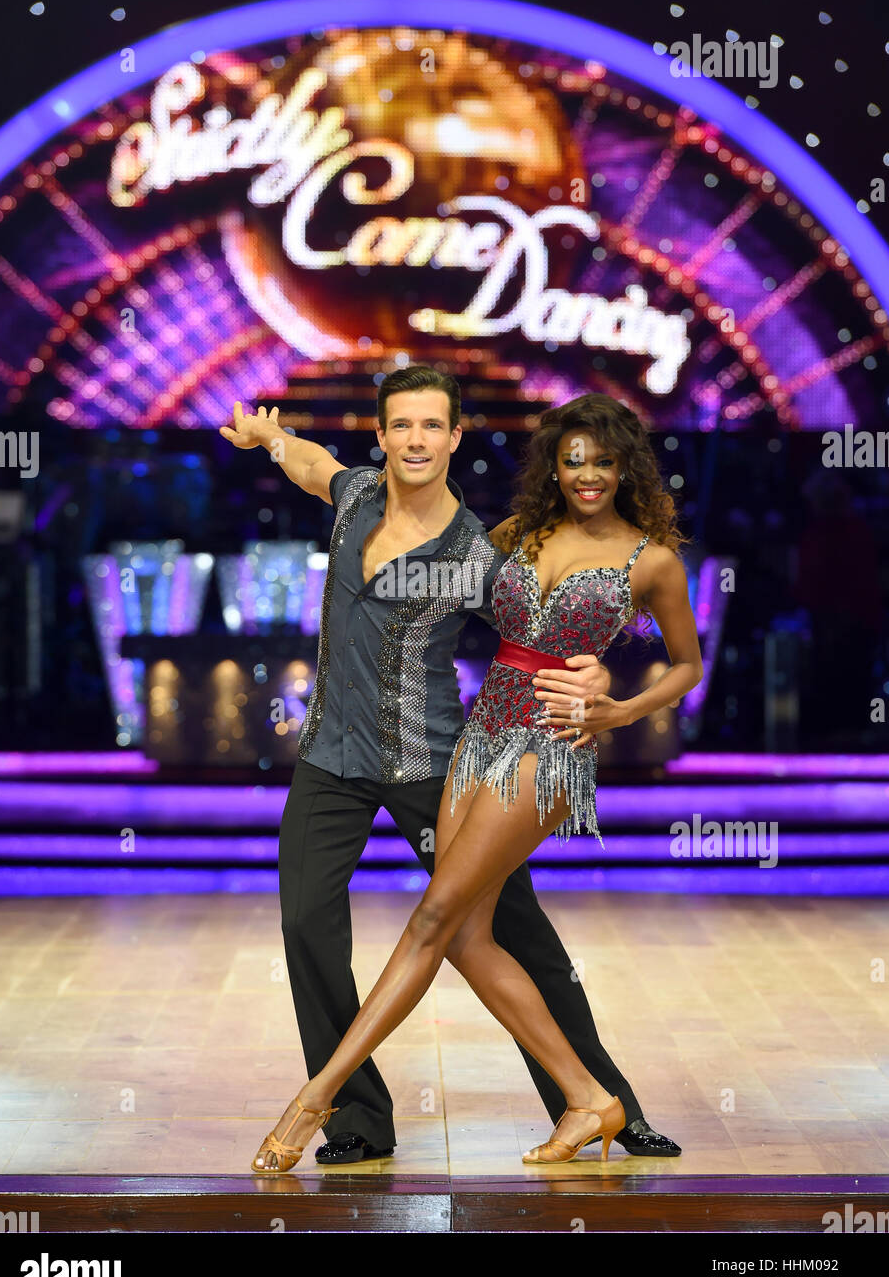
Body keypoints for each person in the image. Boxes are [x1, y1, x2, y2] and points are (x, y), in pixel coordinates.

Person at [220, 368, 691, 1169]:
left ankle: (610, 1105)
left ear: (453, 438)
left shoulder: (484, 551)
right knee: (304, 926)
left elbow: (552, 628)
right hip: (331, 757)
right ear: (380, 436)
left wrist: (600, 681)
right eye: (399, 426)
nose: (414, 440)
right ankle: (358, 1120)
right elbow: (307, 463)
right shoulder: (355, 497)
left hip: (437, 761)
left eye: (430, 427)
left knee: (508, 931)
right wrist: (269, 439)